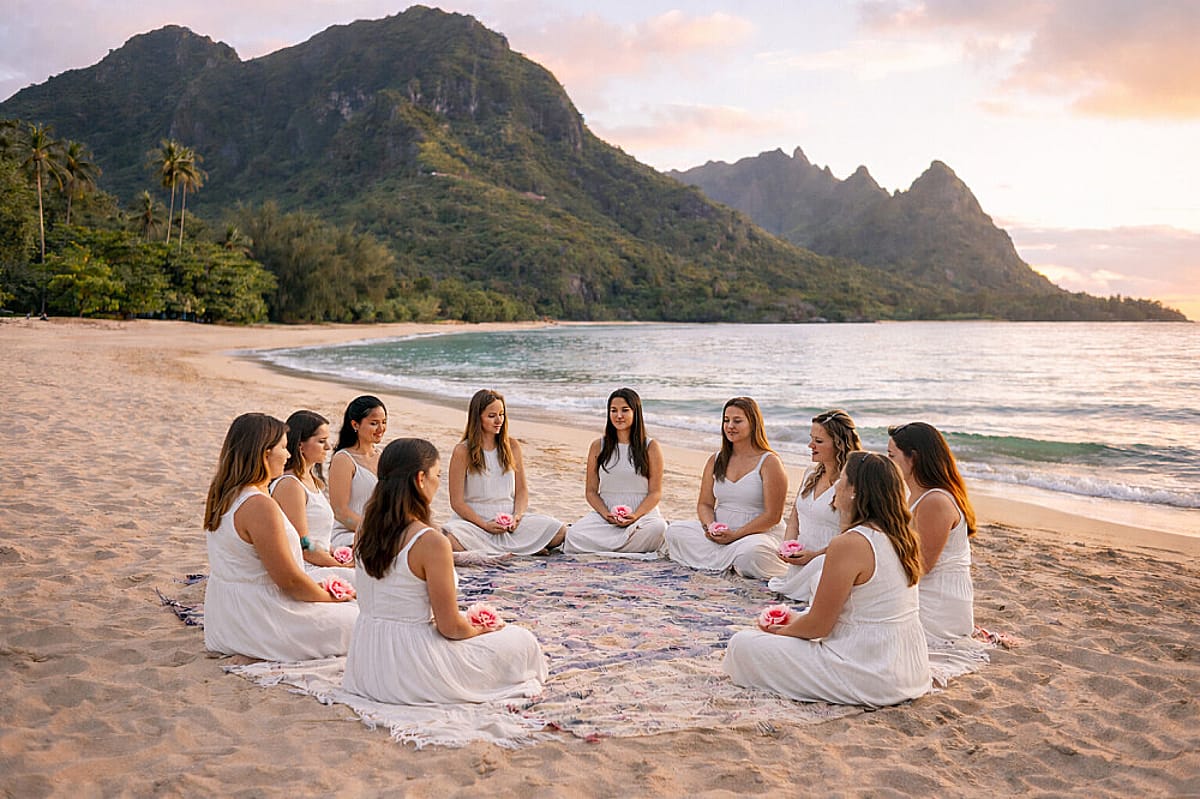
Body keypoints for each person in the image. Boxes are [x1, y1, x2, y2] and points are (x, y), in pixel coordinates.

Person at [342, 438, 547, 704]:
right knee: (522, 641)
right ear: (420, 479)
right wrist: (483, 630)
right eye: (437, 475)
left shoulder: (364, 529)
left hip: (368, 658)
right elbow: (450, 627)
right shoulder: (430, 541)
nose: (438, 483)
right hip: (410, 663)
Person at [723, 452, 931, 707]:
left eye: (841, 479)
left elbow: (818, 627)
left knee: (741, 645)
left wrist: (782, 631)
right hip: (908, 669)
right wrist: (795, 621)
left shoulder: (850, 543)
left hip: (869, 670)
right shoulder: (902, 537)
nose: (836, 486)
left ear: (854, 491)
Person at [202, 413, 357, 661]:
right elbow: (290, 582)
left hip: (228, 615)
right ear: (265, 454)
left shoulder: (227, 494)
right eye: (284, 448)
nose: (287, 455)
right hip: (257, 618)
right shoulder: (259, 506)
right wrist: (331, 598)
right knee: (361, 621)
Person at [662, 397, 788, 578]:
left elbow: (773, 516)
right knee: (674, 531)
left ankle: (728, 560)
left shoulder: (769, 462)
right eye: (726, 420)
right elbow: (705, 504)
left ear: (753, 424)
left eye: (737, 421)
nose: (730, 426)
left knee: (751, 553)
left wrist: (736, 535)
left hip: (755, 534)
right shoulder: (716, 460)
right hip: (720, 534)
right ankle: (727, 561)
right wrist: (710, 527)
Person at [441, 389, 566, 555]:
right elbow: (457, 502)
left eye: (502, 414)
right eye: (492, 416)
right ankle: (524, 549)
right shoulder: (462, 451)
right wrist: (485, 525)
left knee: (559, 531)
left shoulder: (512, 446)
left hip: (509, 521)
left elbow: (521, 491)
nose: (499, 420)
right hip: (474, 523)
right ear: (477, 417)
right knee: (448, 539)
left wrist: (517, 517)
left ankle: (510, 549)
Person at [888, 422, 977, 642]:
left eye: (892, 456)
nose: (888, 463)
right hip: (920, 589)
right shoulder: (915, 494)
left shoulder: (935, 501)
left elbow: (922, 566)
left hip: (937, 604)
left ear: (914, 458)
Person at [768, 409, 863, 600]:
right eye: (811, 439)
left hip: (828, 561)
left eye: (818, 441)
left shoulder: (853, 482)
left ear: (839, 444)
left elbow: (854, 536)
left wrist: (815, 555)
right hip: (799, 561)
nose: (810, 445)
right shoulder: (810, 473)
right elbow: (794, 519)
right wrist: (787, 546)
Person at [564, 388, 667, 555]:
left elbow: (655, 493)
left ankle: (612, 548)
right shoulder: (598, 446)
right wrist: (606, 514)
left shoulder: (650, 447)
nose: (619, 415)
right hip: (606, 514)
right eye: (613, 410)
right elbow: (591, 492)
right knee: (574, 535)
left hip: (642, 515)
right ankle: (625, 548)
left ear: (635, 412)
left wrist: (635, 515)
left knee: (658, 529)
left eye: (625, 410)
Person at [270, 410, 349, 571]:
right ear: (301, 445)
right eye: (321, 441)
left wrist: (337, 554)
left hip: (322, 561)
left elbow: (319, 539)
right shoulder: (290, 485)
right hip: (307, 568)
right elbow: (303, 546)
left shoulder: (312, 481)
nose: (328, 447)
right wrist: (343, 567)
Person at [328, 395, 387, 549]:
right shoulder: (343, 459)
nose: (381, 429)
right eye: (374, 423)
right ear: (355, 424)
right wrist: (374, 532)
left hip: (380, 532)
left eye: (384, 422)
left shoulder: (383, 456)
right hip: (350, 534)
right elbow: (340, 512)